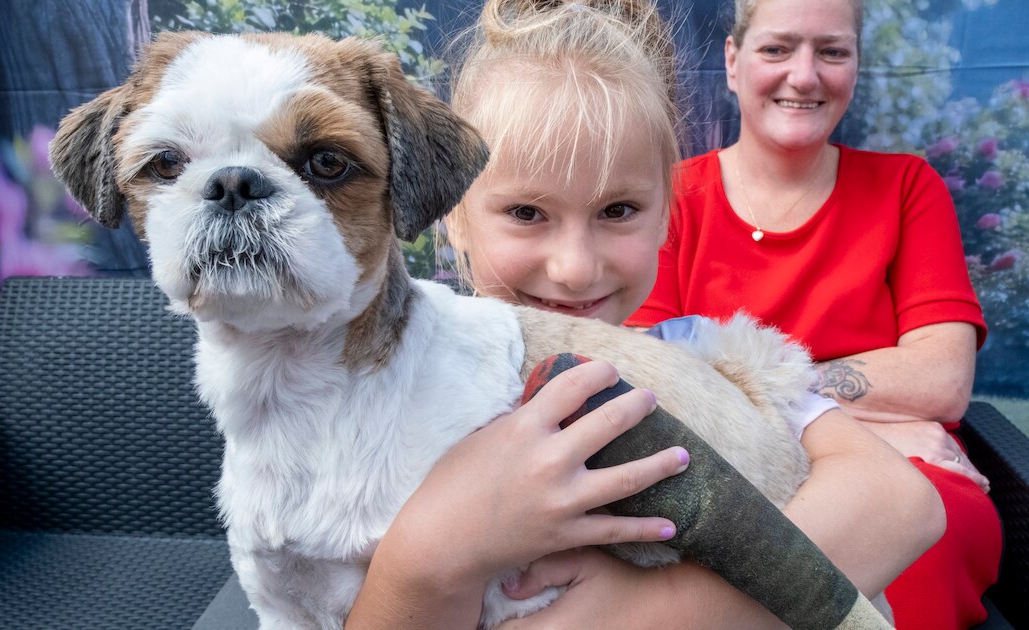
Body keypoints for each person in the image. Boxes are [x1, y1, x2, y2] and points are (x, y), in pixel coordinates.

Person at [347, 1, 945, 628]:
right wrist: (427, 551)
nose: (576, 268)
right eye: (526, 213)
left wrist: (642, 611)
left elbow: (900, 504)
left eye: (617, 211)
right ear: (456, 215)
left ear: (665, 214)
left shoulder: (703, 359)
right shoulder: (395, 395)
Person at [626, 0, 1002, 627]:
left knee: (914, 543)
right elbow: (655, 382)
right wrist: (860, 433)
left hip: (912, 473)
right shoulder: (670, 198)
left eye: (831, 51)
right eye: (777, 49)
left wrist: (742, 385)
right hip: (729, 472)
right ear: (732, 61)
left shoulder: (908, 189)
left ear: (856, 65)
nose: (804, 76)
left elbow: (941, 381)